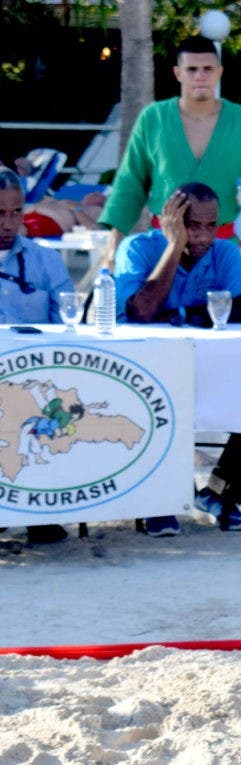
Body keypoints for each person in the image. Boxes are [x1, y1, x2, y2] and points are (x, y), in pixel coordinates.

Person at [112, 181, 241, 538]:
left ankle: (220, 494)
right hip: (145, 373)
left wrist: (177, 313)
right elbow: (142, 312)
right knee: (163, 398)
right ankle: (161, 500)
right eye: (192, 225)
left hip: (210, 367)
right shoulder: (137, 248)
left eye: (211, 225)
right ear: (169, 220)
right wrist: (174, 247)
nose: (203, 235)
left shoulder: (224, 252)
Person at [97, 35, 241, 265]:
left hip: (222, 244)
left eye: (207, 69)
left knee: (222, 301)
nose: (200, 76)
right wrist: (115, 239)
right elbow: (131, 179)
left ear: (219, 72)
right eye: (191, 69)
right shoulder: (154, 118)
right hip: (163, 245)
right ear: (178, 73)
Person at [0, 168, 77, 545]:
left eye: (15, 212)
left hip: (34, 381)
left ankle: (41, 507)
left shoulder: (46, 261)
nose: (8, 223)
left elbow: (68, 328)